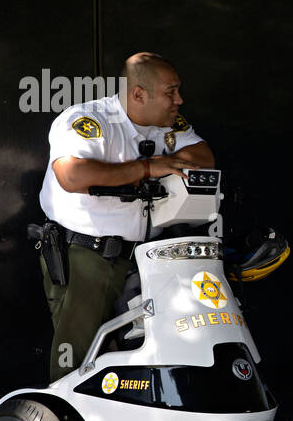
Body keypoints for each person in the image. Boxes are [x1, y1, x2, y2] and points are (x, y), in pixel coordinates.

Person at [37, 53, 214, 381]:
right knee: (76, 361)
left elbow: (203, 155)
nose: (180, 100)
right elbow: (72, 176)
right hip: (86, 255)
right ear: (138, 95)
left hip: (143, 258)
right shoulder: (90, 119)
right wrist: (146, 169)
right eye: (171, 92)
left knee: (139, 355)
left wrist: (163, 160)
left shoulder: (165, 124)